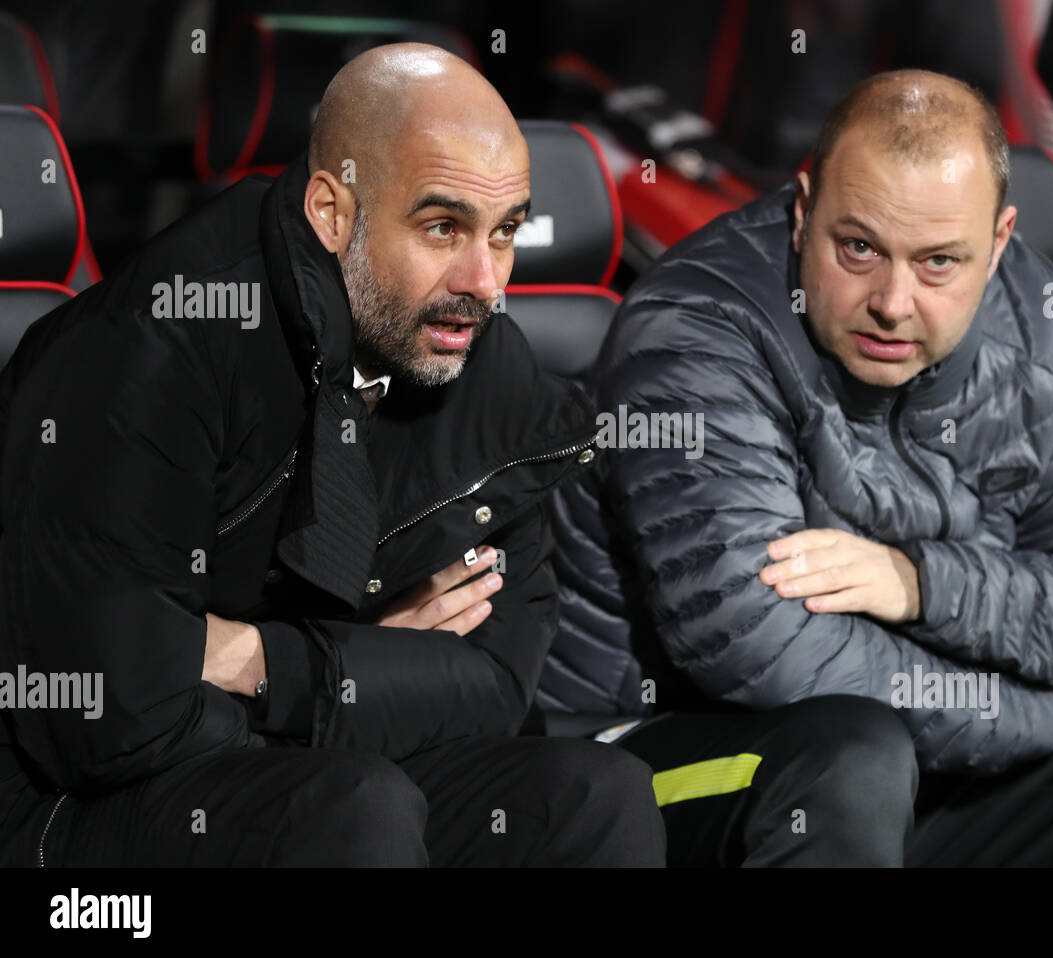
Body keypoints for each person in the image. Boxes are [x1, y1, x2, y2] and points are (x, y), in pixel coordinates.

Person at [540, 69, 1053, 866]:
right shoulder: (695, 332)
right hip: (647, 758)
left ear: (1000, 243)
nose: (892, 299)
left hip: (915, 751)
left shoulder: (1035, 322)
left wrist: (922, 583)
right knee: (852, 757)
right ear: (804, 209)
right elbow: (760, 644)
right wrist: (1034, 717)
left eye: (940, 262)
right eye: (858, 248)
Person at [0, 44, 665, 867]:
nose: (486, 281)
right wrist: (376, 664)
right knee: (354, 809)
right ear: (331, 210)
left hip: (310, 758)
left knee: (594, 795)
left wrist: (263, 661)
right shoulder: (161, 342)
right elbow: (109, 716)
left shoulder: (480, 359)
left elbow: (497, 683)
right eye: (443, 227)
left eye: (505, 233)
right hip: (67, 815)